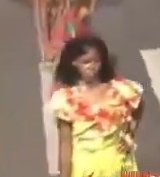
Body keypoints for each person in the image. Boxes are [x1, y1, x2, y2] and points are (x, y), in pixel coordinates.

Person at [51, 35, 144, 177]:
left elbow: (139, 106)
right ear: (74, 63)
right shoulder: (65, 101)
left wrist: (129, 135)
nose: (92, 66)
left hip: (119, 166)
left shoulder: (121, 90)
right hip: (84, 170)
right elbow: (65, 145)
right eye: (86, 62)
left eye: (96, 61)